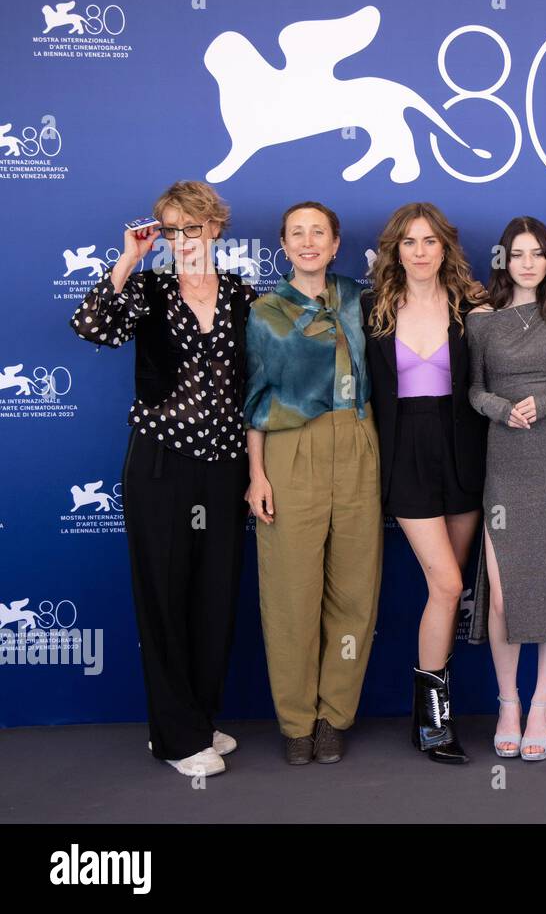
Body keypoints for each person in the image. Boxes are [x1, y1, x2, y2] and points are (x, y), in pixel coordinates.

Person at [70, 180, 256, 779]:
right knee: (164, 594)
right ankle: (175, 738)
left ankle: (195, 720)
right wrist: (128, 258)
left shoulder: (242, 296)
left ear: (216, 229)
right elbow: (91, 327)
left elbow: (261, 384)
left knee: (214, 596)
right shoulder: (147, 289)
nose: (181, 241)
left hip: (225, 465)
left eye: (192, 228)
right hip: (160, 462)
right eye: (171, 230)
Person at [244, 201, 382, 766]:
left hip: (354, 438)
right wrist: (257, 474)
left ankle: (334, 717)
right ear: (283, 245)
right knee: (290, 594)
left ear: (335, 243)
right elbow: (254, 396)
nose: (307, 242)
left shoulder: (359, 298)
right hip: (288, 448)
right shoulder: (263, 311)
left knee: (354, 591)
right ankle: (296, 720)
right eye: (296, 234)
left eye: (317, 233)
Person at [362, 202, 487, 765]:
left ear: (444, 249)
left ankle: (427, 715)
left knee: (454, 587)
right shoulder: (371, 309)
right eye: (409, 242)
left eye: (429, 241)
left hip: (464, 453)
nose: (419, 251)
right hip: (404, 454)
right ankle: (435, 722)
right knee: (445, 584)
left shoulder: (472, 307)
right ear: (396, 250)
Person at [466, 217, 546, 761]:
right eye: (516, 254)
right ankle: (508, 702)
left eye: (536, 253)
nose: (526, 263)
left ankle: (543, 702)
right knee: (502, 594)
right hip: (506, 460)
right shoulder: (481, 321)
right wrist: (500, 408)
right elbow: (473, 389)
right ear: (502, 260)